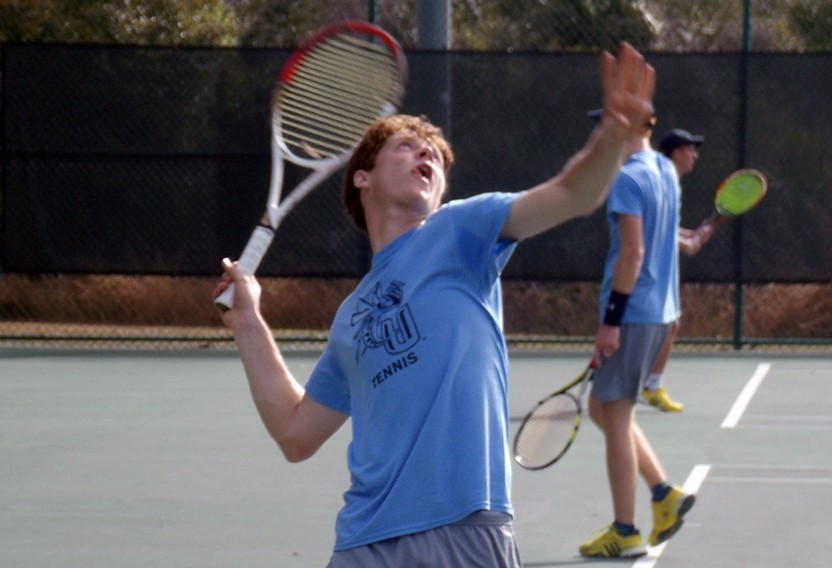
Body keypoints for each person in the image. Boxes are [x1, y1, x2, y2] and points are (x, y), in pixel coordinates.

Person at [214, 43, 656, 567]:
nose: (426, 155)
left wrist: (610, 139)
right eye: (407, 146)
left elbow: (572, 194)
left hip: (466, 532)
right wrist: (247, 322)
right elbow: (295, 432)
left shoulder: (461, 231)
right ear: (363, 176)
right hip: (363, 541)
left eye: (435, 159)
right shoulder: (351, 317)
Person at [578, 113, 696, 558]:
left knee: (617, 417)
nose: (600, 137)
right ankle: (663, 494)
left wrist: (611, 321)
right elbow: (661, 236)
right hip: (659, 313)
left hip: (632, 315)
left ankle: (625, 530)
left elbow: (634, 251)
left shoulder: (627, 180)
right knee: (601, 407)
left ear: (626, 129)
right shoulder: (665, 170)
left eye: (607, 126)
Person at [642, 128, 713, 412]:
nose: (695, 156)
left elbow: (667, 226)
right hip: (645, 272)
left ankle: (651, 386)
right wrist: (688, 245)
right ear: (678, 152)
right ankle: (638, 384)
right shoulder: (660, 181)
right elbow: (652, 228)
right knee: (642, 329)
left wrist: (690, 234)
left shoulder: (670, 182)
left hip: (662, 272)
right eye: (691, 150)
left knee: (671, 325)